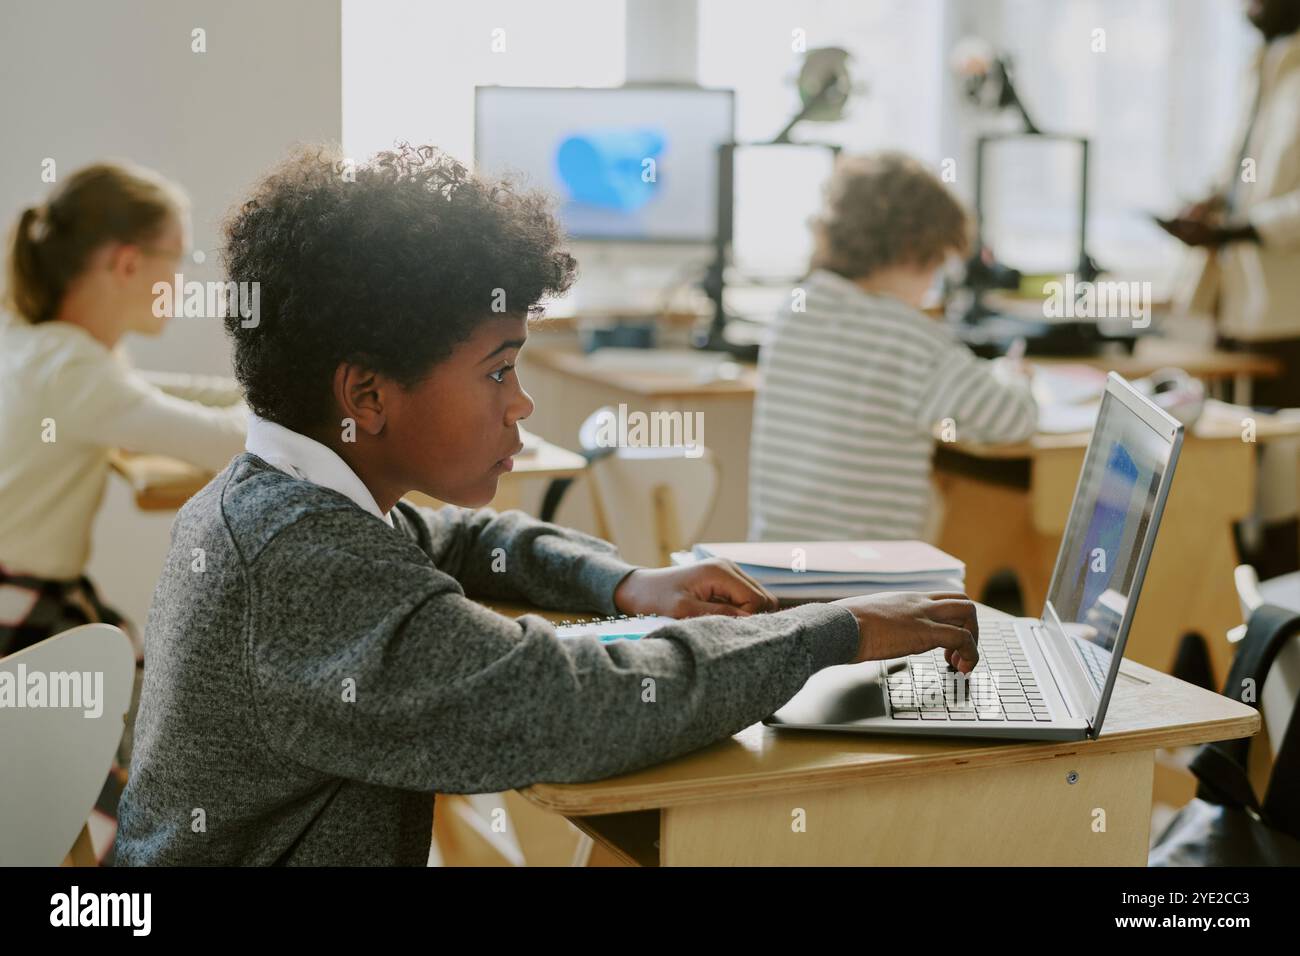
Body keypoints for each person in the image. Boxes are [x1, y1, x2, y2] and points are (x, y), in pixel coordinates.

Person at [113, 144, 980, 865]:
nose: (520, 402)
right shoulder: (306, 566)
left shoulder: (292, 500)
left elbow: (465, 542)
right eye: (498, 368)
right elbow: (573, 705)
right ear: (367, 396)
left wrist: (627, 584)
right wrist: (840, 632)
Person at [0, 161, 247, 859]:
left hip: (33, 598)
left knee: (149, 685)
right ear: (128, 263)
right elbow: (220, 439)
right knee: (156, 728)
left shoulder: (40, 344)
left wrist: (257, 395)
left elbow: (176, 399)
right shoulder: (73, 372)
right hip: (20, 615)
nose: (185, 281)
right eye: (180, 259)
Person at [748, 151, 1037, 543]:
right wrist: (1011, 376)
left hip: (770, 578)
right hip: (869, 588)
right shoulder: (910, 339)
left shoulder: (794, 311)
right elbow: (1010, 418)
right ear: (914, 254)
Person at [1161, 0, 1300, 578]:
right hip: (1238, 305)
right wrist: (1214, 205)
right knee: (1231, 470)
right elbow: (1246, 169)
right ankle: (1222, 607)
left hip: (1288, 314)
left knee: (1284, 475)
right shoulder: (1262, 63)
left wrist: (1240, 228)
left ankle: (1275, 621)